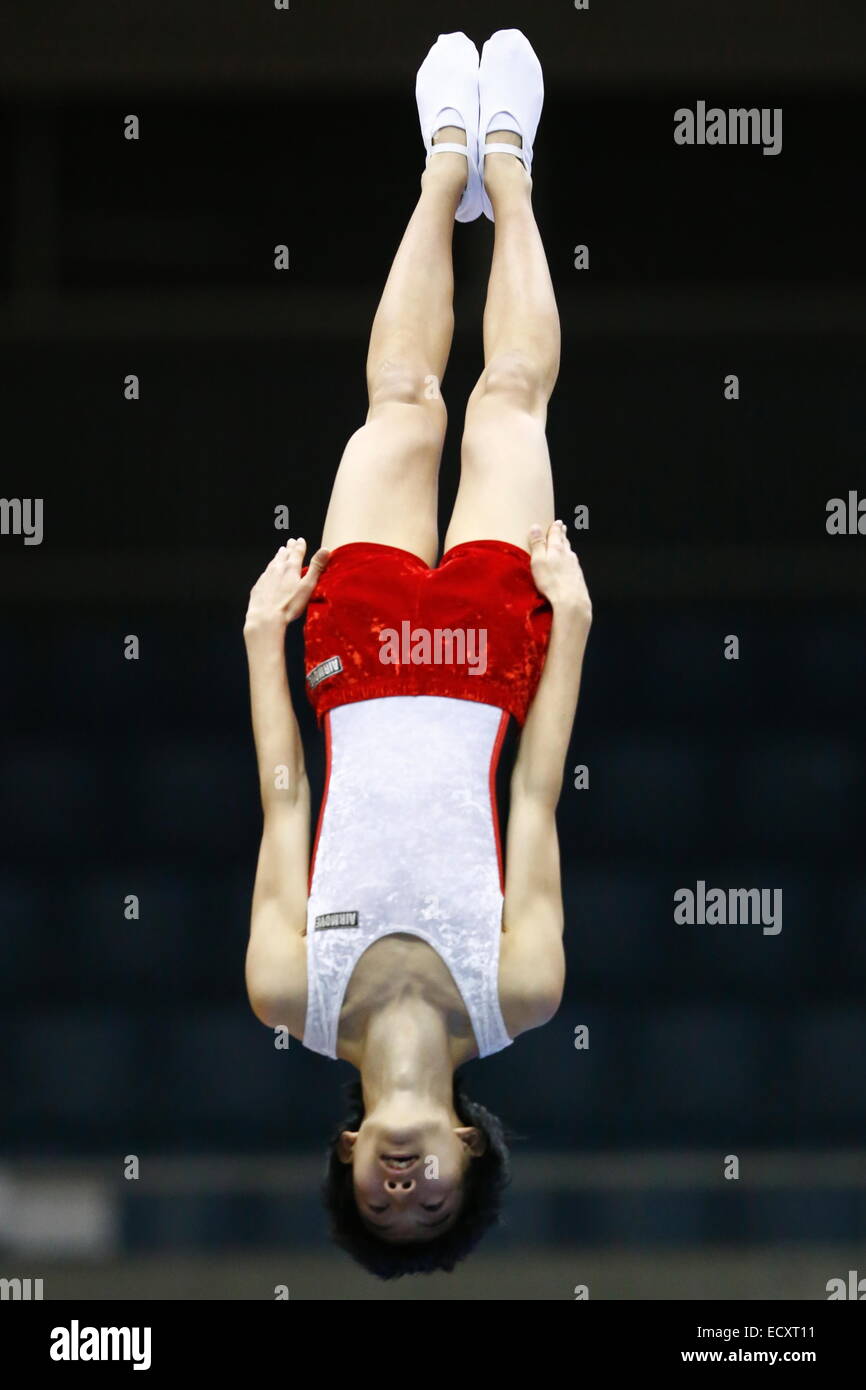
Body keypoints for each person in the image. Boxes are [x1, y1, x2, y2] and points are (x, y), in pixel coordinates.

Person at [242, 29, 592, 1277]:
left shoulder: (286, 990)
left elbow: (285, 797)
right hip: (489, 663)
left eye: (381, 1207)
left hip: (359, 668)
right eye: (431, 1203)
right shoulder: (524, 990)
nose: (405, 1190)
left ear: (343, 1162)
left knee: (401, 402)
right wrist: (576, 630)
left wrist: (257, 645)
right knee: (504, 399)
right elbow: (536, 791)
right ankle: (515, 163)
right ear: (467, 1151)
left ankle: (443, 163)